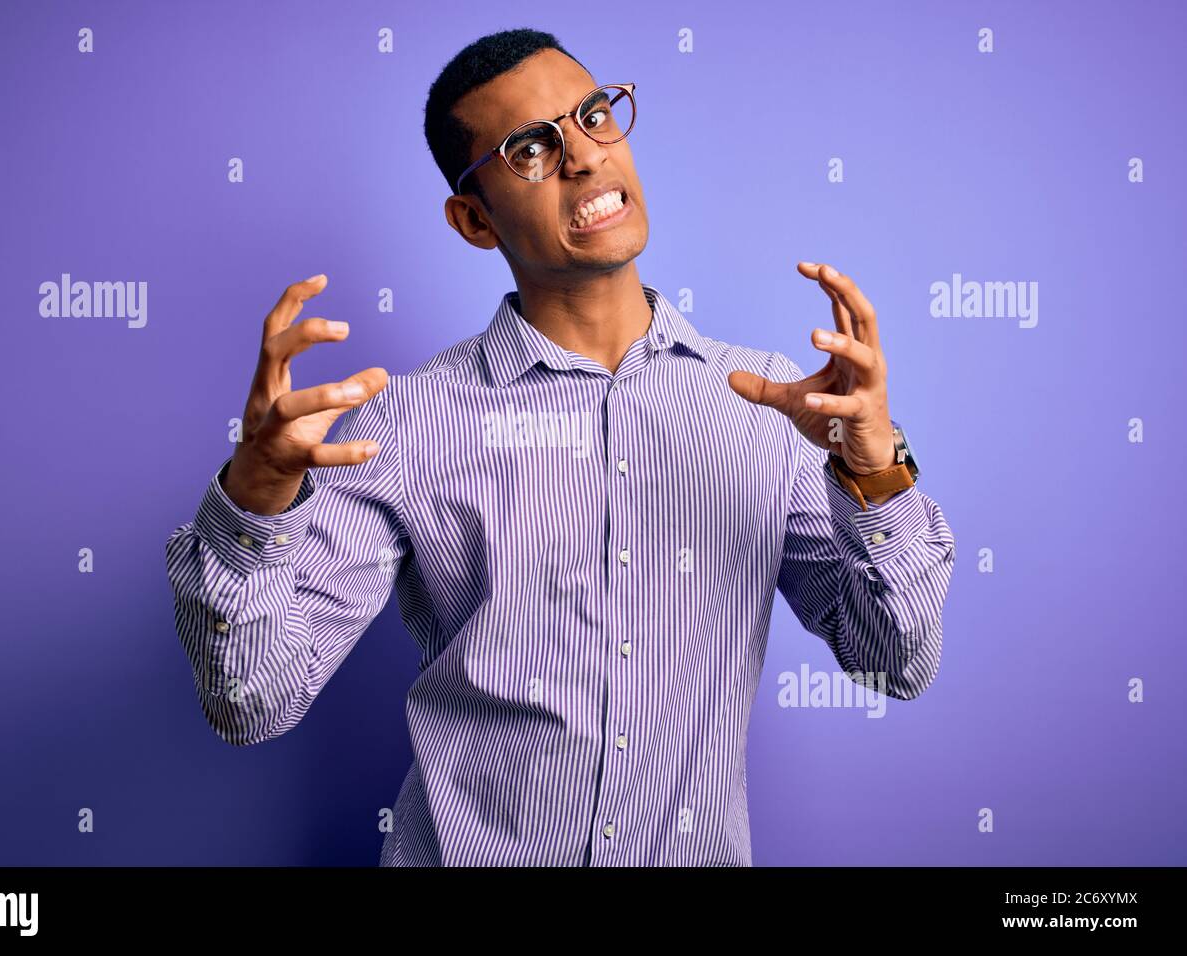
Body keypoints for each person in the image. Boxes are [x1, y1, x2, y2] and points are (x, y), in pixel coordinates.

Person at [164, 28, 955, 866]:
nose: (583, 156)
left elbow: (895, 662)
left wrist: (874, 473)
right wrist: (252, 501)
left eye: (592, 116)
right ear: (474, 219)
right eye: (532, 147)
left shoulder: (770, 405)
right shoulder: (403, 426)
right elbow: (249, 703)